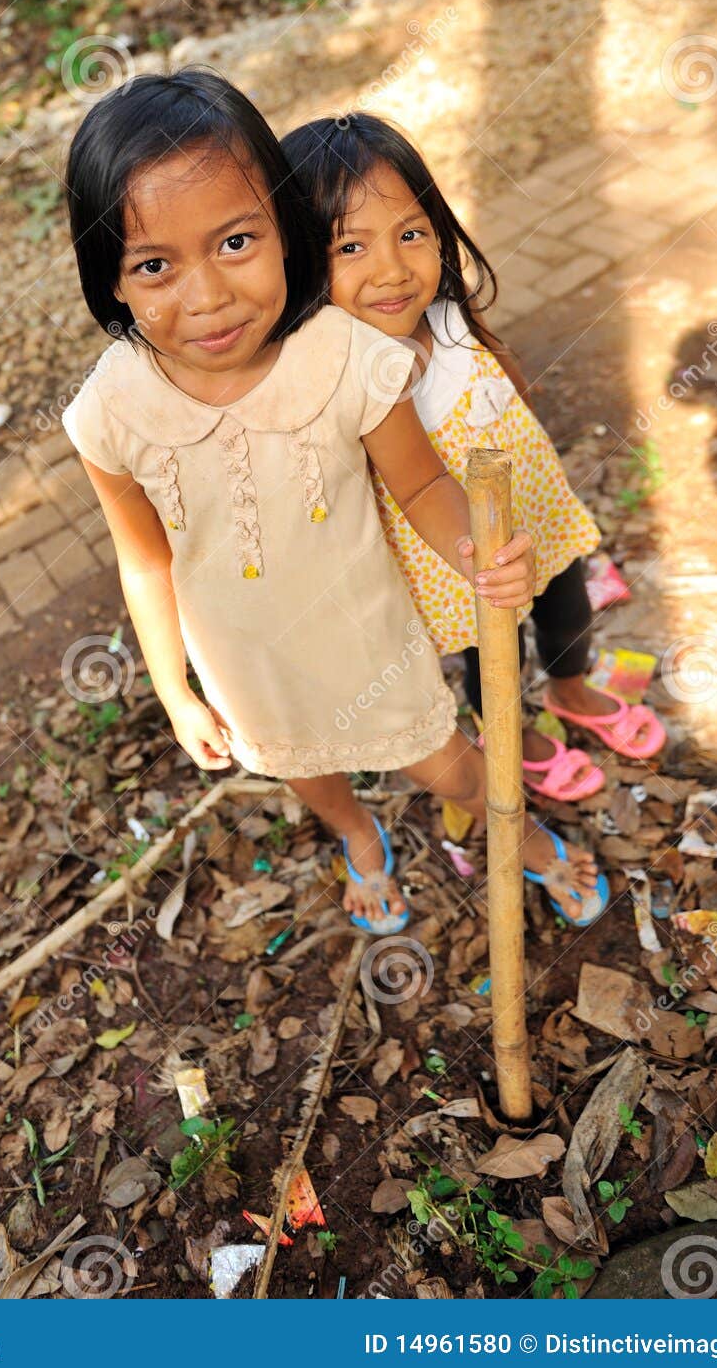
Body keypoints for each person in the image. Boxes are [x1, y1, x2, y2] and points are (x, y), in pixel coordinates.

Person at [61, 69, 601, 933]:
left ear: (284, 230)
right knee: (306, 772)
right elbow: (144, 556)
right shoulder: (108, 415)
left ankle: (526, 839)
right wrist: (175, 688)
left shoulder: (345, 357)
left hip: (369, 642)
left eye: (236, 242)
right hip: (249, 668)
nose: (206, 296)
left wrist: (477, 545)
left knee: (455, 768)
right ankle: (357, 839)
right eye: (155, 265)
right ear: (111, 280)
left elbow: (421, 481)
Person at [280, 110, 666, 819]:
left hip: (533, 506)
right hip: (459, 553)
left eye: (410, 234)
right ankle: (510, 734)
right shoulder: (347, 376)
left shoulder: (442, 307)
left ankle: (571, 691)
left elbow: (487, 356)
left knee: (566, 602)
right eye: (350, 248)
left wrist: (510, 383)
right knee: (497, 651)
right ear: (301, 263)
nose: (391, 269)